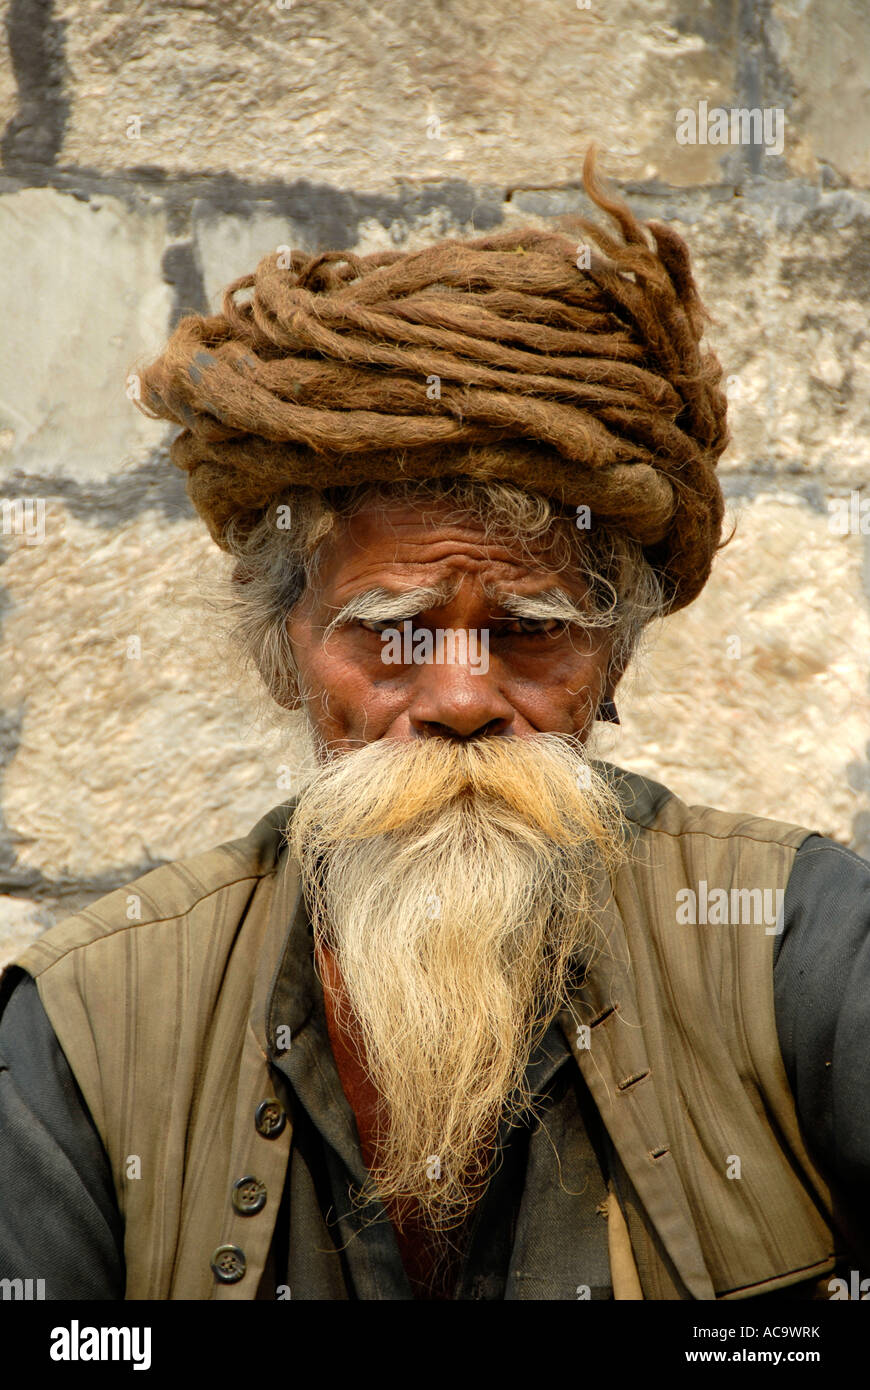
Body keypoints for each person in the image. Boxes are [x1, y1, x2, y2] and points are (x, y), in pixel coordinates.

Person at [1, 149, 868, 1302]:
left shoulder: (799, 949)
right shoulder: (91, 1027)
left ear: (607, 657)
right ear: (290, 653)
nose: (461, 699)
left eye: (529, 629)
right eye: (392, 630)